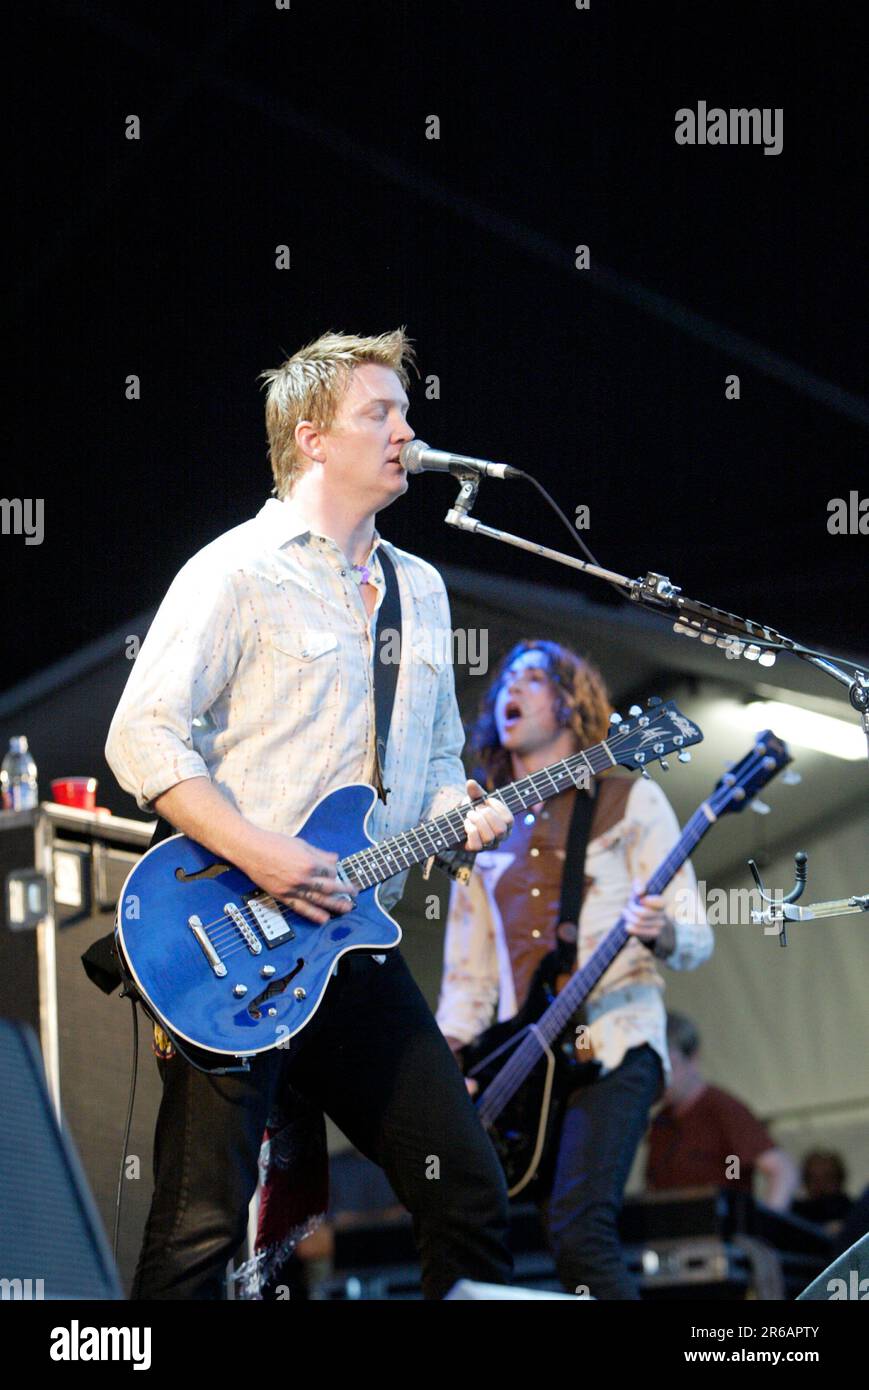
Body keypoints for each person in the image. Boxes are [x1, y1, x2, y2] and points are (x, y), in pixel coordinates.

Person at [105, 328, 514, 1300]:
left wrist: (461, 806)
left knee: (467, 1193)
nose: (407, 431)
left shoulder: (421, 588)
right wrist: (265, 853)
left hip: (352, 944)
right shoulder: (236, 568)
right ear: (311, 436)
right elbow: (143, 736)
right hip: (232, 944)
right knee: (202, 1223)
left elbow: (439, 757)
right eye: (380, 412)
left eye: (405, 412)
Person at [435, 640, 713, 1299]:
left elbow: (694, 931)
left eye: (530, 679)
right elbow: (469, 977)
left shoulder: (629, 800)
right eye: (504, 682)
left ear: (569, 701)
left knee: (579, 1229)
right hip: (522, 1059)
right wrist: (448, 1066)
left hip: (613, 1041)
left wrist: (661, 929)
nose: (512, 691)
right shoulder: (483, 825)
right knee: (487, 1239)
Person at [645, 1012, 799, 1211]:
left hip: (716, 1234)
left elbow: (782, 1170)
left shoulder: (721, 1108)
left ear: (693, 1058)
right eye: (653, 1068)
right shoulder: (661, 1121)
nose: (661, 1078)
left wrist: (763, 1230)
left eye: (669, 1066)